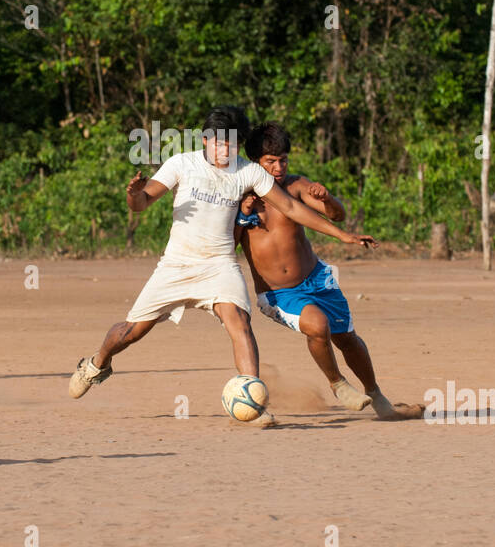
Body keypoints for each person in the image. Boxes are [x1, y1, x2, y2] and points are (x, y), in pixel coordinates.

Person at [69, 106, 375, 427]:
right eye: (218, 143)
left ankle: (252, 401)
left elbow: (290, 207)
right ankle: (96, 364)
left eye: (231, 144)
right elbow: (142, 203)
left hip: (220, 264)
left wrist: (343, 235)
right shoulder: (181, 164)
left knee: (240, 323)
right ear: (204, 140)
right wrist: (133, 195)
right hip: (177, 264)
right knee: (132, 332)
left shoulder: (249, 172)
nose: (224, 150)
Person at [234, 122, 423, 420]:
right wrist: (243, 215)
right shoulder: (241, 197)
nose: (278, 167)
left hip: (318, 278)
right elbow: (229, 244)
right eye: (270, 161)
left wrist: (327, 199)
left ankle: (377, 396)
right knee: (317, 325)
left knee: (347, 338)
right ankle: (338, 383)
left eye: (283, 159)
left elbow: (337, 215)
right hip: (278, 293)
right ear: (255, 162)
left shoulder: (296, 186)